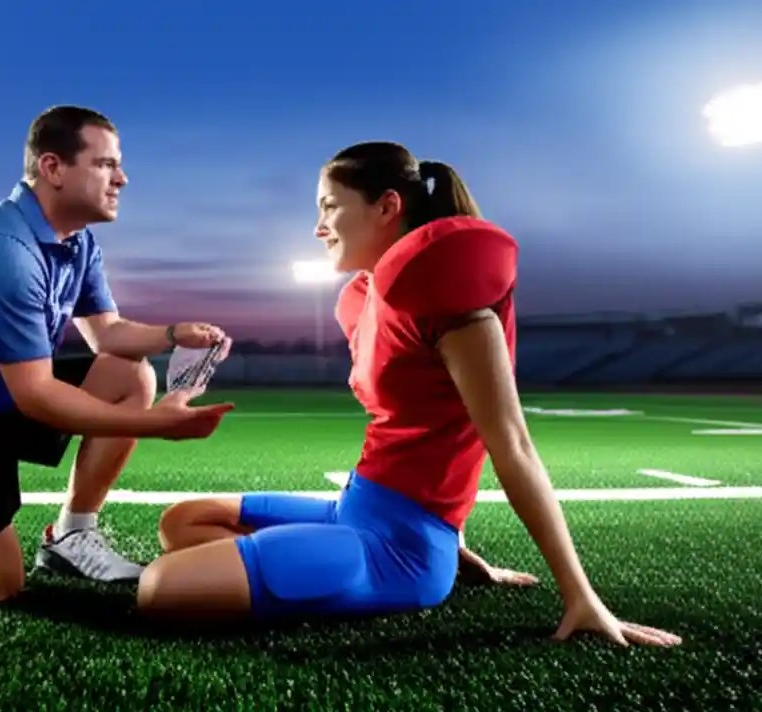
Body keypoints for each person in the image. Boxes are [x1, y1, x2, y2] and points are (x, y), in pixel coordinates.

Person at [135, 141, 682, 648]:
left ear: (387, 206)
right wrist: (460, 542)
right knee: (179, 523)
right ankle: (312, 566)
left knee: (159, 588)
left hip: (398, 547)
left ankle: (375, 569)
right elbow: (426, 420)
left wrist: (579, 595)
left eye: (329, 207)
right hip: (358, 505)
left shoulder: (455, 304)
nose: (318, 227)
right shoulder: (367, 297)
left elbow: (510, 445)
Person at [0, 105, 235, 604]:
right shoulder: (1, 249)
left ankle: (72, 535)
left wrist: (175, 333)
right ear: (52, 168)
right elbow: (36, 396)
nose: (123, 178)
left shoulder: (77, 240)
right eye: (105, 164)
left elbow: (108, 336)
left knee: (129, 375)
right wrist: (159, 425)